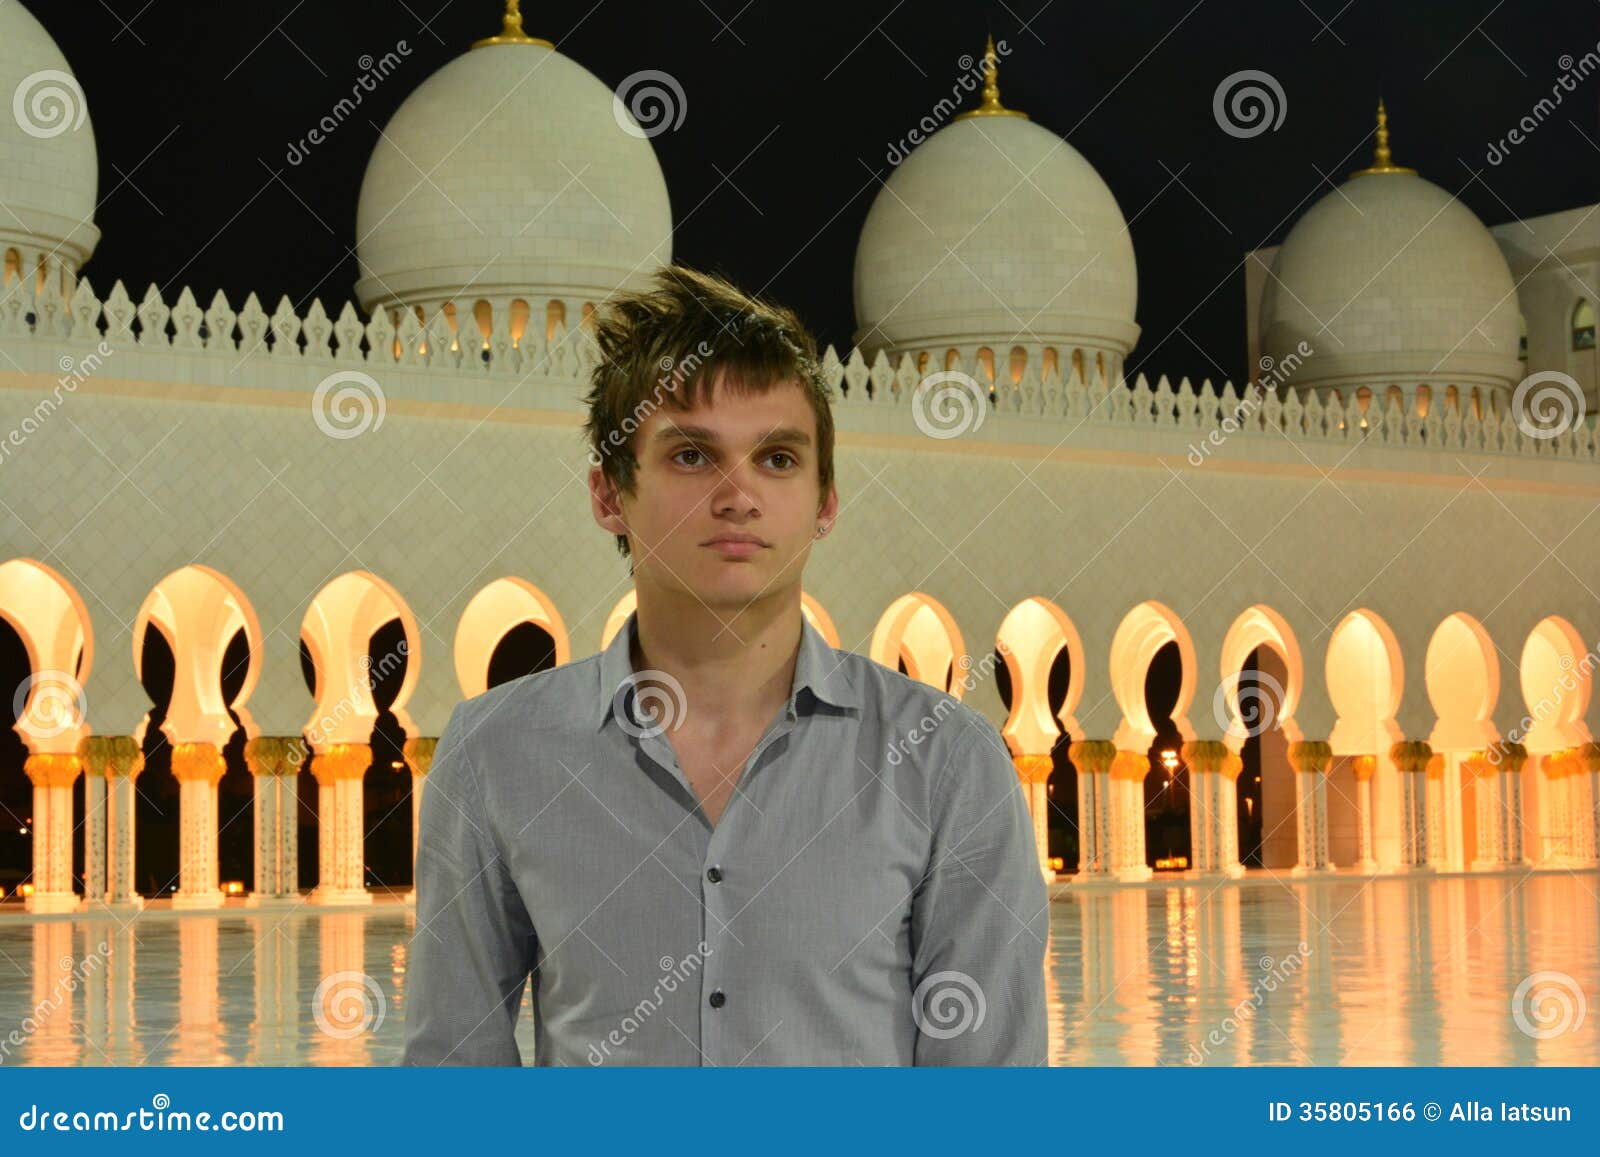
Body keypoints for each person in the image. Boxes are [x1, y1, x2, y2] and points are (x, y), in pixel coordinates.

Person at [400, 265, 1047, 1066]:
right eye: (691, 455)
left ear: (825, 501)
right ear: (608, 495)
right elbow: (453, 1076)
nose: (739, 495)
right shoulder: (497, 754)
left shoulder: (945, 762)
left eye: (777, 458)